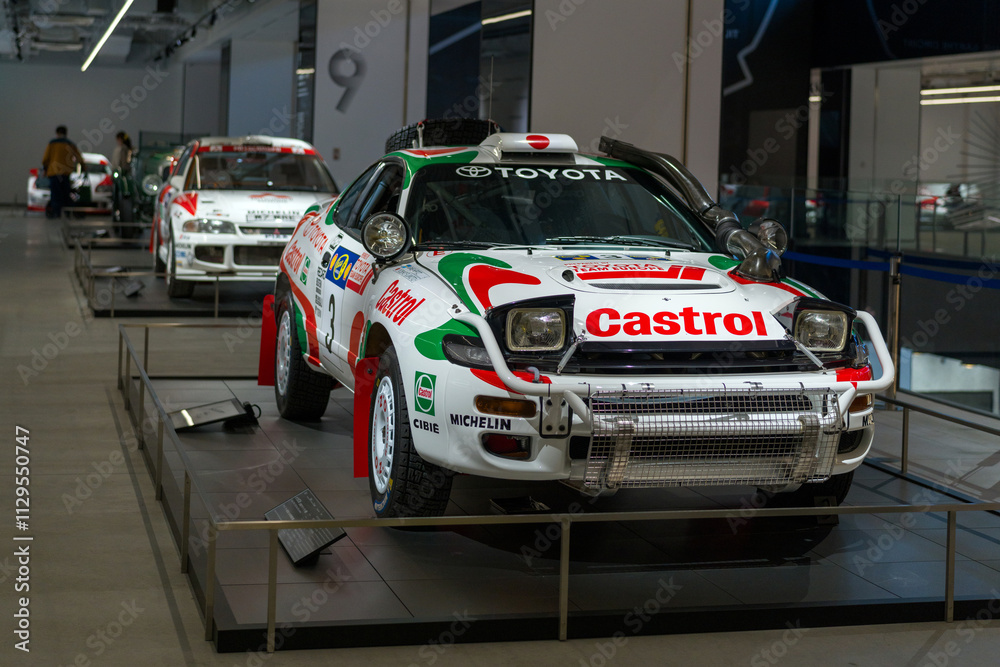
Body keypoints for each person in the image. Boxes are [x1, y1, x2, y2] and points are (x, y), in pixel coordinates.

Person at [41, 125, 84, 218]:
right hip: (65, 174)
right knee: (65, 194)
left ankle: (56, 214)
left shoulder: (52, 144)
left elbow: (46, 158)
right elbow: (79, 157)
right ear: (66, 133)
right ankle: (67, 213)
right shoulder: (70, 144)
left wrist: (45, 169)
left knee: (55, 195)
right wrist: (83, 166)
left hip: (54, 174)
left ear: (57, 133)